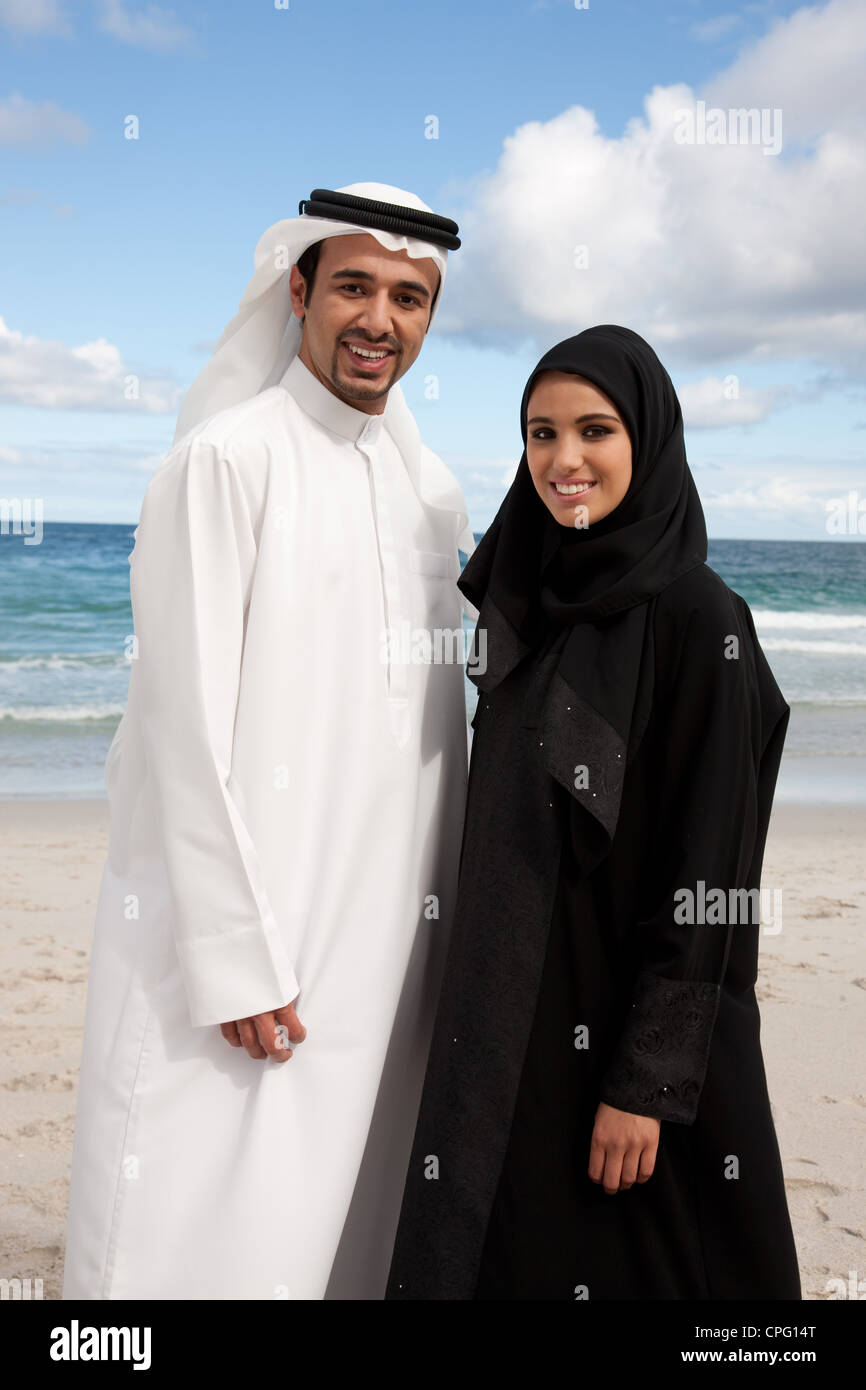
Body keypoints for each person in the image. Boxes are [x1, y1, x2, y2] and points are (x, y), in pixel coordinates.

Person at [62, 183, 475, 1300]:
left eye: (409, 296)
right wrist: (232, 948)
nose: (379, 319)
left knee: (343, 1217)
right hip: (240, 946)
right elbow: (180, 728)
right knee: (186, 1220)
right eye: (352, 286)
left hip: (386, 937)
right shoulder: (224, 462)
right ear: (296, 291)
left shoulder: (430, 491)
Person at [385, 324, 802, 1300]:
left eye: (593, 431)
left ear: (646, 439)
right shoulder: (524, 602)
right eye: (539, 433)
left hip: (633, 1030)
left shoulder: (701, 619)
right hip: (513, 1015)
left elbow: (712, 875)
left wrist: (645, 1083)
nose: (562, 460)